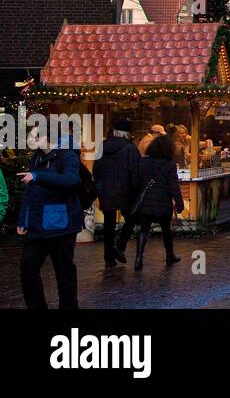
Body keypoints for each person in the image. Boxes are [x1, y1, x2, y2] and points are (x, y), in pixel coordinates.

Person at [17, 131, 83, 309]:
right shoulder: (37, 157)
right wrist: (23, 219)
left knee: (64, 272)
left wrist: (39, 176)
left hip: (62, 223)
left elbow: (72, 180)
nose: (31, 139)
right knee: (28, 267)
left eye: (36, 136)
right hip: (38, 224)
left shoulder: (67, 155)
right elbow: (29, 191)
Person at [128, 134, 185, 270]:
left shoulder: (144, 162)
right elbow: (174, 186)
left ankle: (138, 258)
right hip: (162, 202)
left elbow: (136, 181)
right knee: (166, 229)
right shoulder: (169, 165)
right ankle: (169, 255)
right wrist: (179, 203)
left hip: (146, 202)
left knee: (144, 229)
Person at [93, 117, 139, 268]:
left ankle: (108, 257)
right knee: (131, 218)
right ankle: (120, 245)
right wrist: (135, 190)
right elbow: (135, 171)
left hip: (106, 190)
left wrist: (99, 188)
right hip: (125, 190)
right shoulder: (130, 148)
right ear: (126, 133)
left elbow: (96, 170)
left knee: (109, 224)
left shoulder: (102, 146)